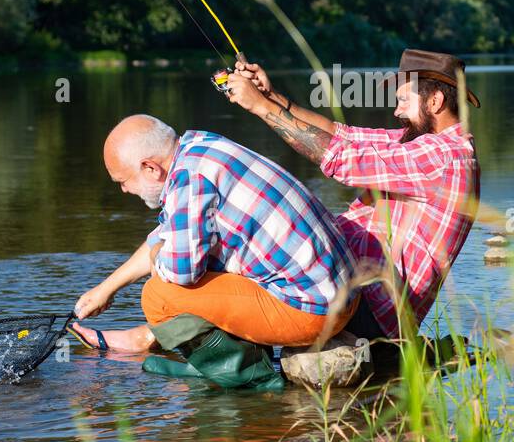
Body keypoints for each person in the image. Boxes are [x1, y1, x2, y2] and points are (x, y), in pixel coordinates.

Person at [224, 49, 480, 340]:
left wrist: (261, 108)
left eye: (404, 101)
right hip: (356, 291)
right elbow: (340, 134)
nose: (396, 112)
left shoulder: (444, 157)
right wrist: (271, 98)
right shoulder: (420, 143)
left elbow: (340, 158)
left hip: (371, 311)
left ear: (435, 101)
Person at [68, 114, 361, 353]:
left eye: (123, 180)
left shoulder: (190, 181)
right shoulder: (200, 146)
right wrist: (106, 289)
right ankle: (149, 337)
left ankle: (241, 376)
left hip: (314, 311)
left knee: (159, 295)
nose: (123, 190)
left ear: (150, 168)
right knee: (185, 265)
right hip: (341, 292)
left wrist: (159, 256)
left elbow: (180, 272)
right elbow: (168, 233)